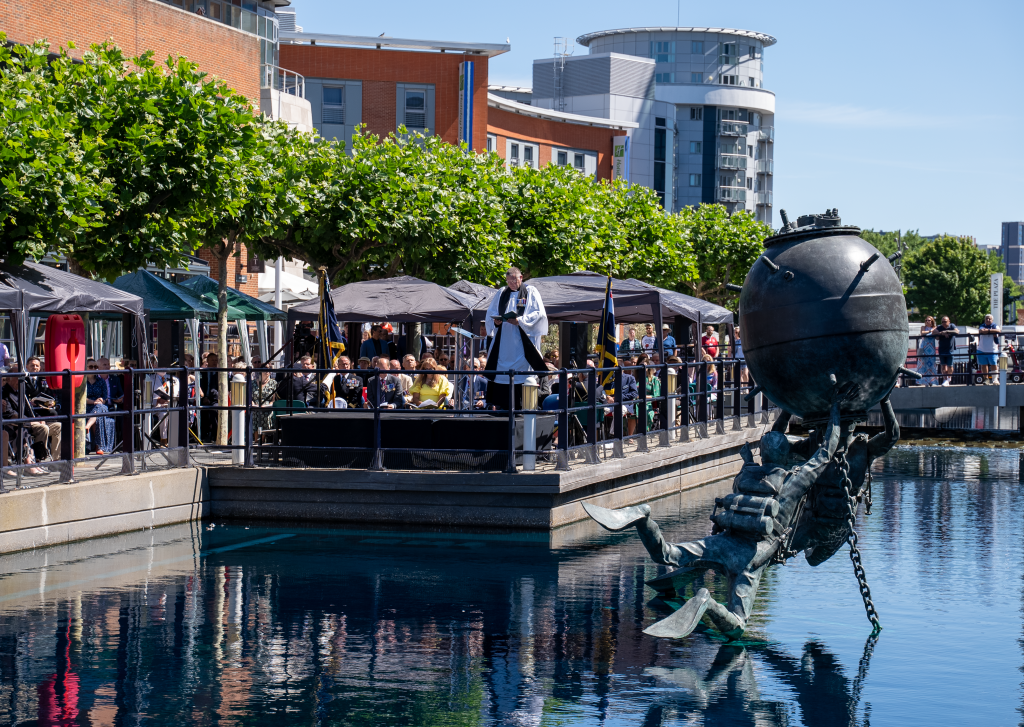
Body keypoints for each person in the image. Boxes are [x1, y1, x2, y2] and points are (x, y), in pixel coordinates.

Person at [583, 388, 846, 640]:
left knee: (667, 554)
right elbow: (825, 452)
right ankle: (706, 603)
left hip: (722, 541)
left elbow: (774, 438)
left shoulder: (747, 473)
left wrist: (786, 407)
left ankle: (643, 517)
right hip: (751, 556)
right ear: (786, 454)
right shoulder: (793, 482)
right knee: (737, 626)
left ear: (762, 452)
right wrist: (835, 409)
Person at [484, 267, 548, 410]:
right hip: (504, 342)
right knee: (501, 372)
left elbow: (539, 314)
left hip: (522, 343)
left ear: (521, 277)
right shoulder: (501, 293)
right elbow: (491, 312)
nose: (511, 283)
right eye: (509, 281)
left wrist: (520, 320)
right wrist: (496, 321)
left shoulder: (530, 292)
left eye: (514, 280)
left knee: (523, 374)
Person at [23, 356, 61, 459]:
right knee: (43, 429)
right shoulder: (22, 381)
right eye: (32, 365)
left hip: (44, 415)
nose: (34, 368)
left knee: (59, 426)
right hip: (30, 416)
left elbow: (51, 397)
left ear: (40, 368)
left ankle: (55, 461)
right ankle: (41, 458)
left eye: (37, 366)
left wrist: (52, 404)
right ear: (27, 367)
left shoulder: (45, 380)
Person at [84, 360, 115, 454]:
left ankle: (87, 426)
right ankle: (99, 447)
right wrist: (94, 402)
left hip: (100, 406)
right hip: (87, 406)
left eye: (95, 367)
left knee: (100, 408)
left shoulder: (101, 381)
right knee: (98, 415)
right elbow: (81, 398)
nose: (93, 369)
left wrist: (101, 400)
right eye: (91, 367)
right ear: (85, 367)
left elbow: (105, 397)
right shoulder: (82, 382)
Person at [928, 316, 959, 386]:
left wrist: (947, 331)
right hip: (941, 349)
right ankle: (945, 380)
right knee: (943, 366)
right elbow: (934, 332)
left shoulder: (952, 326)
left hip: (950, 349)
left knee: (950, 366)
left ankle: (949, 378)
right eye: (942, 322)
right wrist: (942, 333)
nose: (943, 323)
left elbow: (957, 331)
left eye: (945, 321)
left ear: (949, 321)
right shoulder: (940, 327)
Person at [976, 314, 1001, 384]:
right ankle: (986, 379)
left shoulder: (995, 325)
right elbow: (981, 331)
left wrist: (988, 330)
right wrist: (992, 331)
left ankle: (995, 379)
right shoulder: (982, 325)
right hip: (981, 349)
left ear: (992, 320)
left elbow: (998, 330)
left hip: (992, 349)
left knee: (994, 364)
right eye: (986, 318)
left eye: (989, 319)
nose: (988, 320)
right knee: (984, 365)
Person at [916, 316, 939, 386]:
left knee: (931, 365)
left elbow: (937, 337)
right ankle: (923, 382)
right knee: (923, 364)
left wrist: (935, 332)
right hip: (924, 347)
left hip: (931, 348)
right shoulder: (923, 327)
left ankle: (932, 381)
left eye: (929, 320)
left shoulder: (935, 328)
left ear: (932, 321)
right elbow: (922, 333)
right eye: (926, 320)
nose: (927, 321)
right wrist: (931, 331)